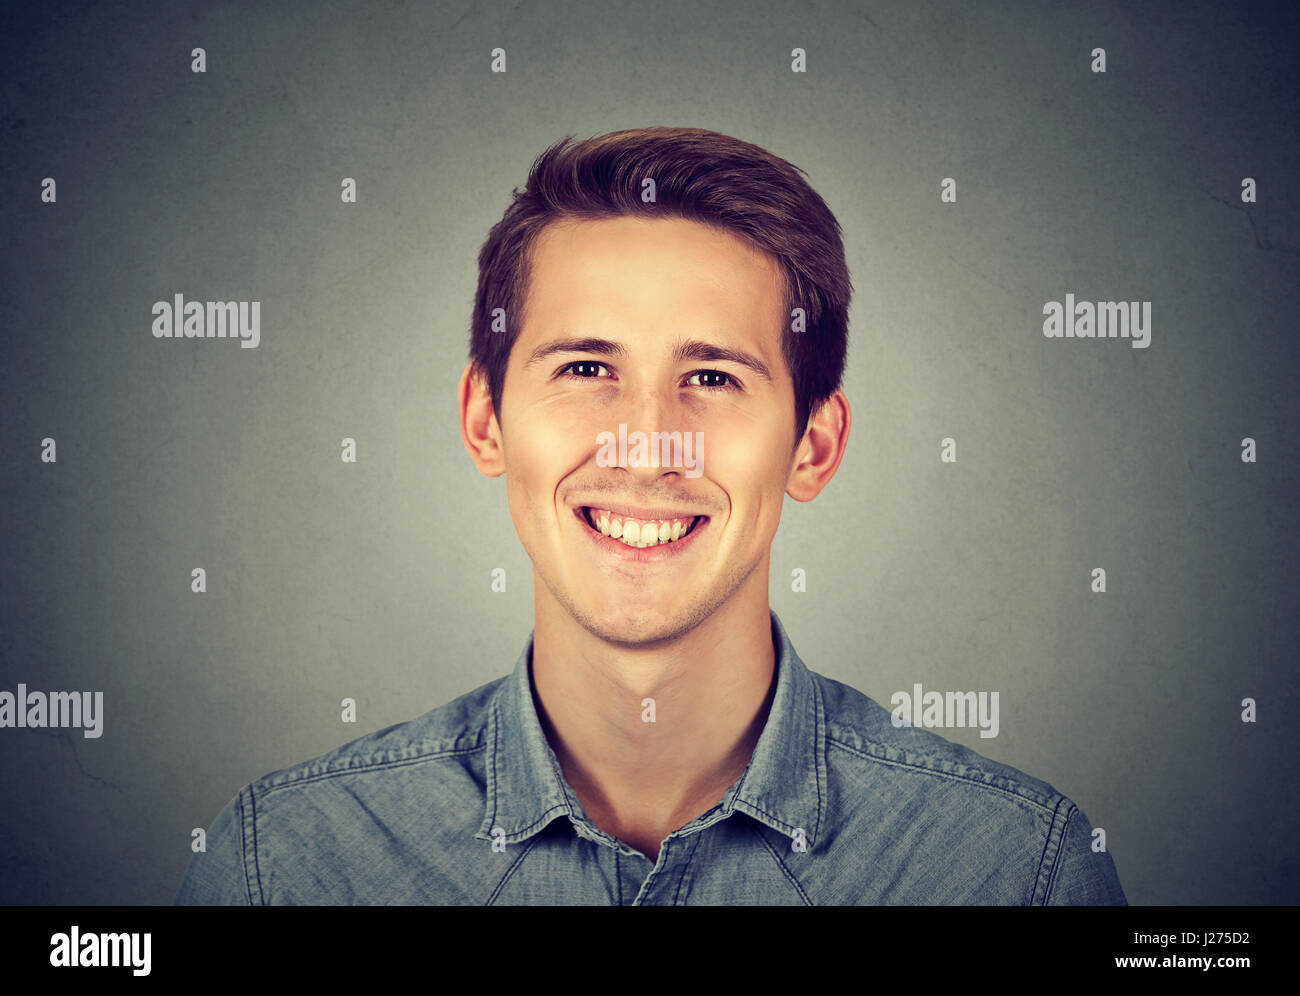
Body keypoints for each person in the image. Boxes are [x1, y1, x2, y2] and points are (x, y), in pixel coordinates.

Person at [175, 126, 1126, 904]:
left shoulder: (1018, 870)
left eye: (712, 377)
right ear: (484, 419)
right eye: (586, 370)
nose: (646, 444)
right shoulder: (284, 866)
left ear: (814, 446)